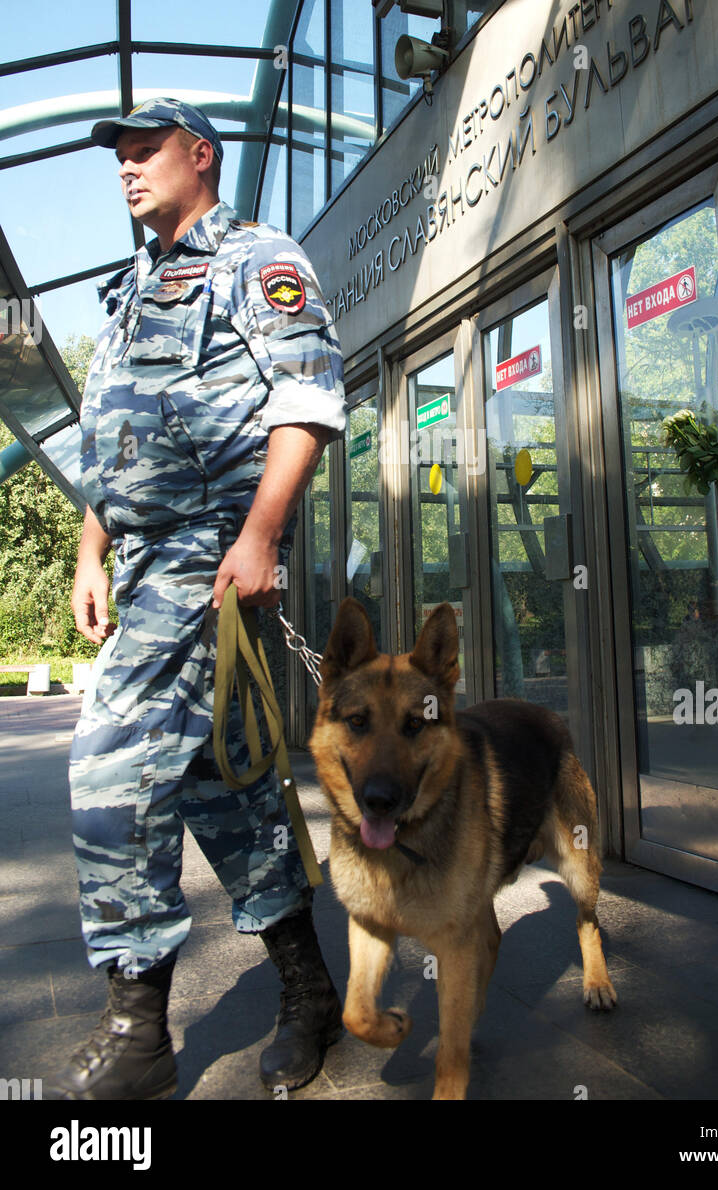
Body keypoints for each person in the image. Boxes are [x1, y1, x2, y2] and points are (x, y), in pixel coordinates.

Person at [46, 98, 346, 1101]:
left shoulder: (257, 257)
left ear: (199, 155)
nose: (127, 169)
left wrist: (261, 533)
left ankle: (139, 1032)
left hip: (208, 557)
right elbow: (111, 442)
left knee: (110, 763)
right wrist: (93, 547)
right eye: (119, 157)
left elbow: (306, 398)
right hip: (142, 563)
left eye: (145, 151)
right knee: (229, 785)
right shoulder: (134, 285)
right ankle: (309, 991)